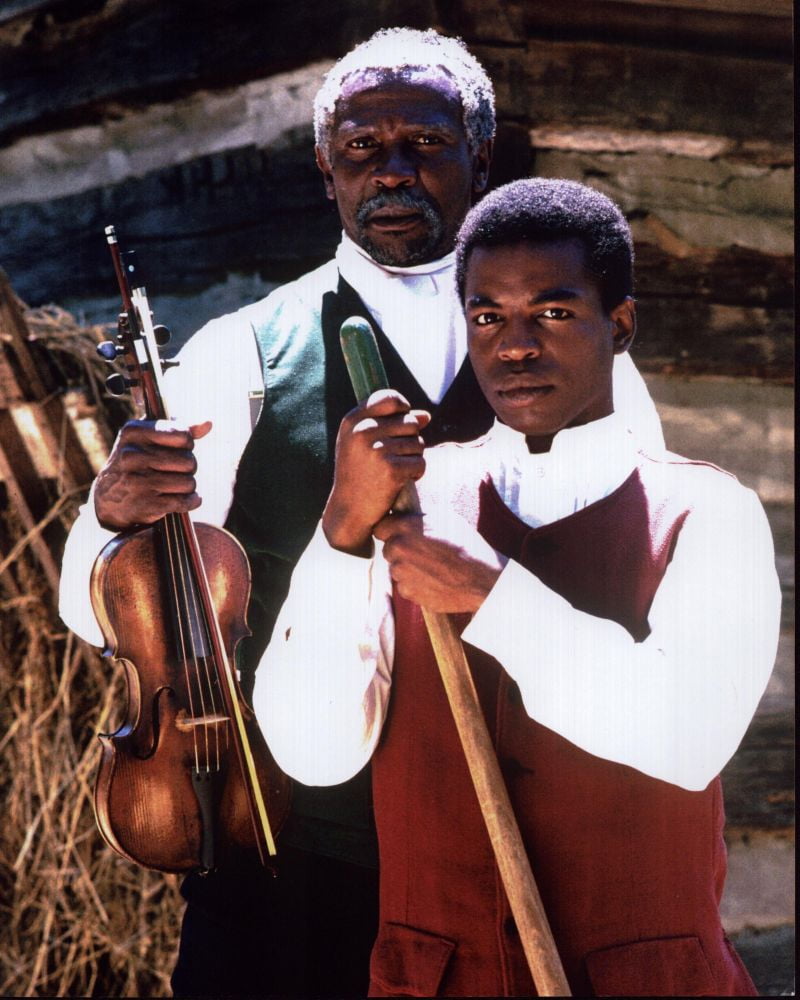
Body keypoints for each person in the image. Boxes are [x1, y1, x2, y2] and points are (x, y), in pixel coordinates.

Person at [59, 29, 663, 997]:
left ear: (478, 151)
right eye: (361, 148)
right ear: (323, 167)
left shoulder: (577, 353)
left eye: (422, 145)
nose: (391, 172)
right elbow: (105, 607)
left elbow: (637, 559)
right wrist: (115, 511)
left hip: (515, 824)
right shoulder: (244, 348)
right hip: (303, 840)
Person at [255, 178, 781, 997]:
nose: (515, 346)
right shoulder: (407, 507)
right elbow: (313, 753)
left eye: (554, 313)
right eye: (488, 316)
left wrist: (490, 596)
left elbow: (688, 738)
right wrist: (340, 538)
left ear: (622, 324)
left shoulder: (707, 512)